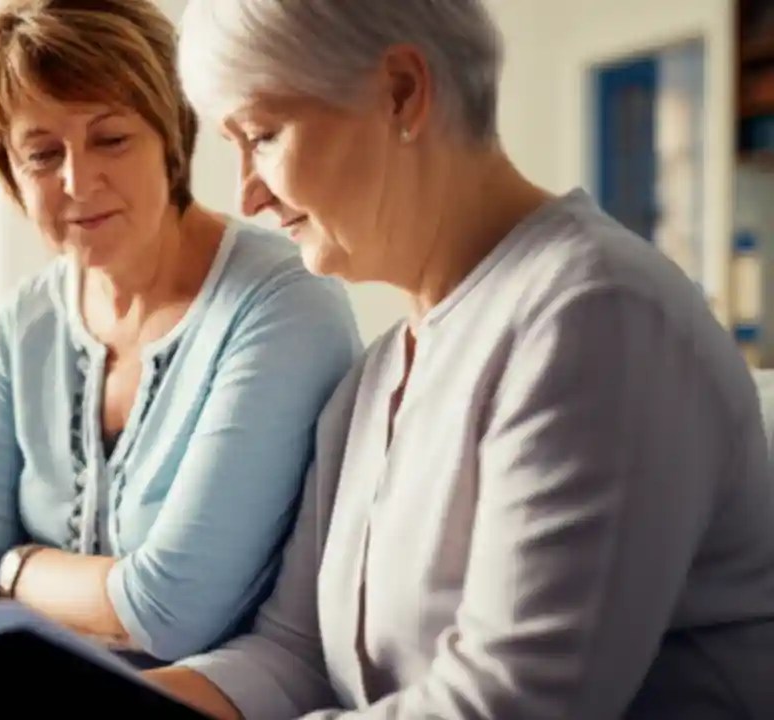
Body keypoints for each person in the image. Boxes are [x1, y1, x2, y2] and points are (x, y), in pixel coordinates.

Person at [144, 0, 774, 718]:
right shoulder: (376, 376)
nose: (247, 196)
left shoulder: (595, 315)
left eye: (261, 135)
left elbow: (514, 704)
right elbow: (296, 653)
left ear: (403, 92)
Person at [0, 0, 364, 704]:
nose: (78, 184)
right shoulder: (26, 322)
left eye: (110, 139)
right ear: (9, 174)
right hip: (32, 691)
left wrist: (15, 569)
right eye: (43, 154)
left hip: (213, 695)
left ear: (171, 138)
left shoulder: (282, 300)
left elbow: (172, 611)